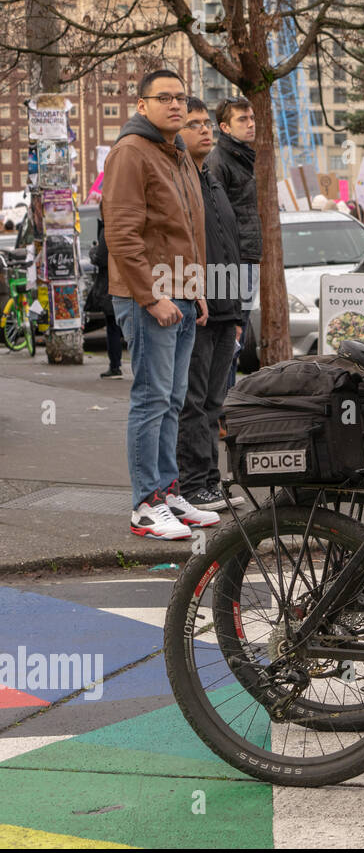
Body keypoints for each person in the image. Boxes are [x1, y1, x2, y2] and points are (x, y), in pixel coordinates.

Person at [102, 69, 211, 540]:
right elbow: (122, 234)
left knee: (172, 400)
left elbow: (188, 228)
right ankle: (145, 504)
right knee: (151, 400)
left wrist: (196, 287)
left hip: (180, 291)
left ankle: (167, 492)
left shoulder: (179, 152)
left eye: (180, 98)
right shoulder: (131, 152)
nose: (175, 105)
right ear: (142, 105)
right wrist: (152, 296)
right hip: (149, 297)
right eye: (163, 97)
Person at [175, 98, 245, 513]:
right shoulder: (180, 181)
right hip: (197, 307)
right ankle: (192, 484)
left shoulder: (213, 182)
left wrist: (235, 314)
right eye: (194, 124)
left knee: (215, 402)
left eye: (207, 123)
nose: (205, 130)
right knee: (193, 399)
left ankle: (210, 481)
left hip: (224, 308)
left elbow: (229, 247)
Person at [205, 96, 260, 384]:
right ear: (225, 127)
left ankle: (225, 414)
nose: (251, 124)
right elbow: (218, 221)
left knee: (236, 340)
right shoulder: (219, 161)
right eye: (243, 119)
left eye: (251, 118)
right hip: (231, 264)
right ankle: (221, 417)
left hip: (247, 259)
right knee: (230, 340)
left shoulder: (243, 157)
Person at [88, 217, 123, 379]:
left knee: (113, 326)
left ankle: (115, 366)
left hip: (110, 284)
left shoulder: (108, 228)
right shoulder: (124, 224)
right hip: (124, 282)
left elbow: (100, 259)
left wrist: (93, 252)